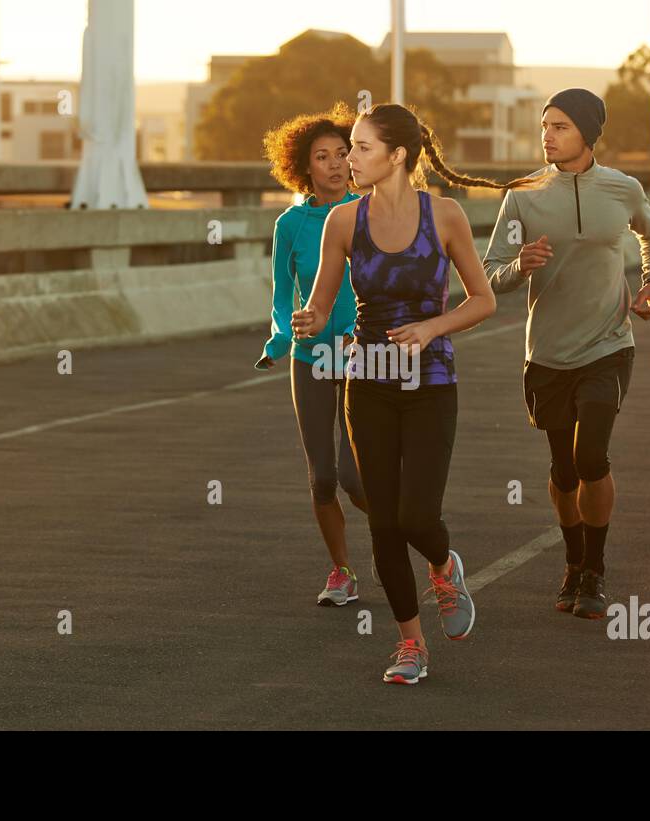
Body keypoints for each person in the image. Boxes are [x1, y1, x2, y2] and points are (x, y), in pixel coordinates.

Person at [291, 103, 498, 684]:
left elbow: (483, 300)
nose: (349, 159)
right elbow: (323, 304)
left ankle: (442, 564)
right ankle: (411, 644)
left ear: (397, 155)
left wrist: (432, 327)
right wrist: (308, 319)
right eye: (349, 148)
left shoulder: (446, 216)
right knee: (383, 522)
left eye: (360, 148)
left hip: (431, 385)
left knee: (416, 515)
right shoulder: (344, 222)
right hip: (369, 384)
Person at [482, 88, 650, 620]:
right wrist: (521, 265)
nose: (548, 135)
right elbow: (490, 271)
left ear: (588, 133)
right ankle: (571, 561)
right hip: (547, 354)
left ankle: (594, 570)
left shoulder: (621, 188)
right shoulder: (523, 195)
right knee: (563, 470)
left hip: (609, 345)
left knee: (593, 459)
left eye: (560, 126)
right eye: (544, 125)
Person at [255, 103, 373, 607]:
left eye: (342, 153)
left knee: (355, 477)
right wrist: (282, 338)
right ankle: (342, 570)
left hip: (365, 357)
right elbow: (282, 296)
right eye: (321, 156)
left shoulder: (369, 215)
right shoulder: (291, 225)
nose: (332, 163)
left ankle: (402, 536)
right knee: (323, 478)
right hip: (311, 358)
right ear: (303, 166)